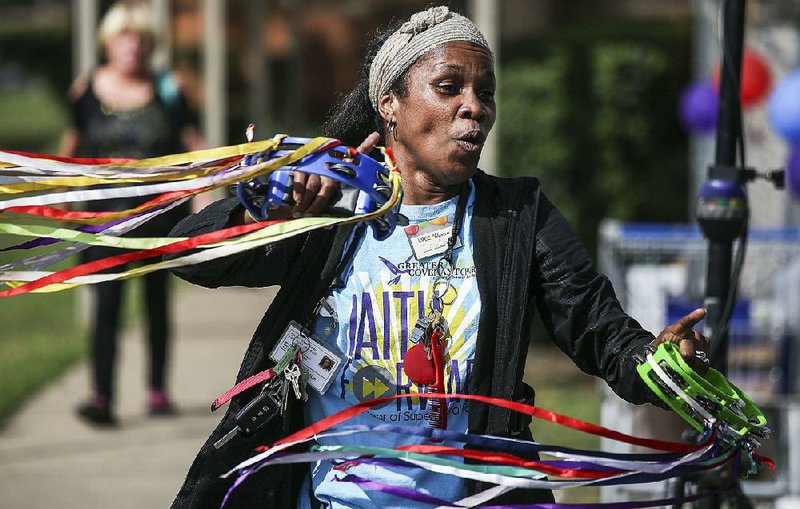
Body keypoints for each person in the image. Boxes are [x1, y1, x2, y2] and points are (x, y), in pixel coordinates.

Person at [168, 6, 708, 508]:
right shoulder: (332, 209)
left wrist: (661, 364)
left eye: (485, 92)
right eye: (449, 87)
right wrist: (268, 216)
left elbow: (600, 331)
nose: (474, 106)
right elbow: (193, 258)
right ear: (391, 105)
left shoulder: (518, 215)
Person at [59, 1, 203, 426]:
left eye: (140, 38)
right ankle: (101, 396)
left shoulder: (168, 87)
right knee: (106, 305)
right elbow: (72, 145)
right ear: (109, 43)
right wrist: (66, 196)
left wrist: (204, 195)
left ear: (149, 44)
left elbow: (194, 143)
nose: (133, 46)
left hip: (159, 216)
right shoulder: (87, 88)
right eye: (125, 37)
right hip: (103, 219)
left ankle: (157, 389)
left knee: (156, 303)